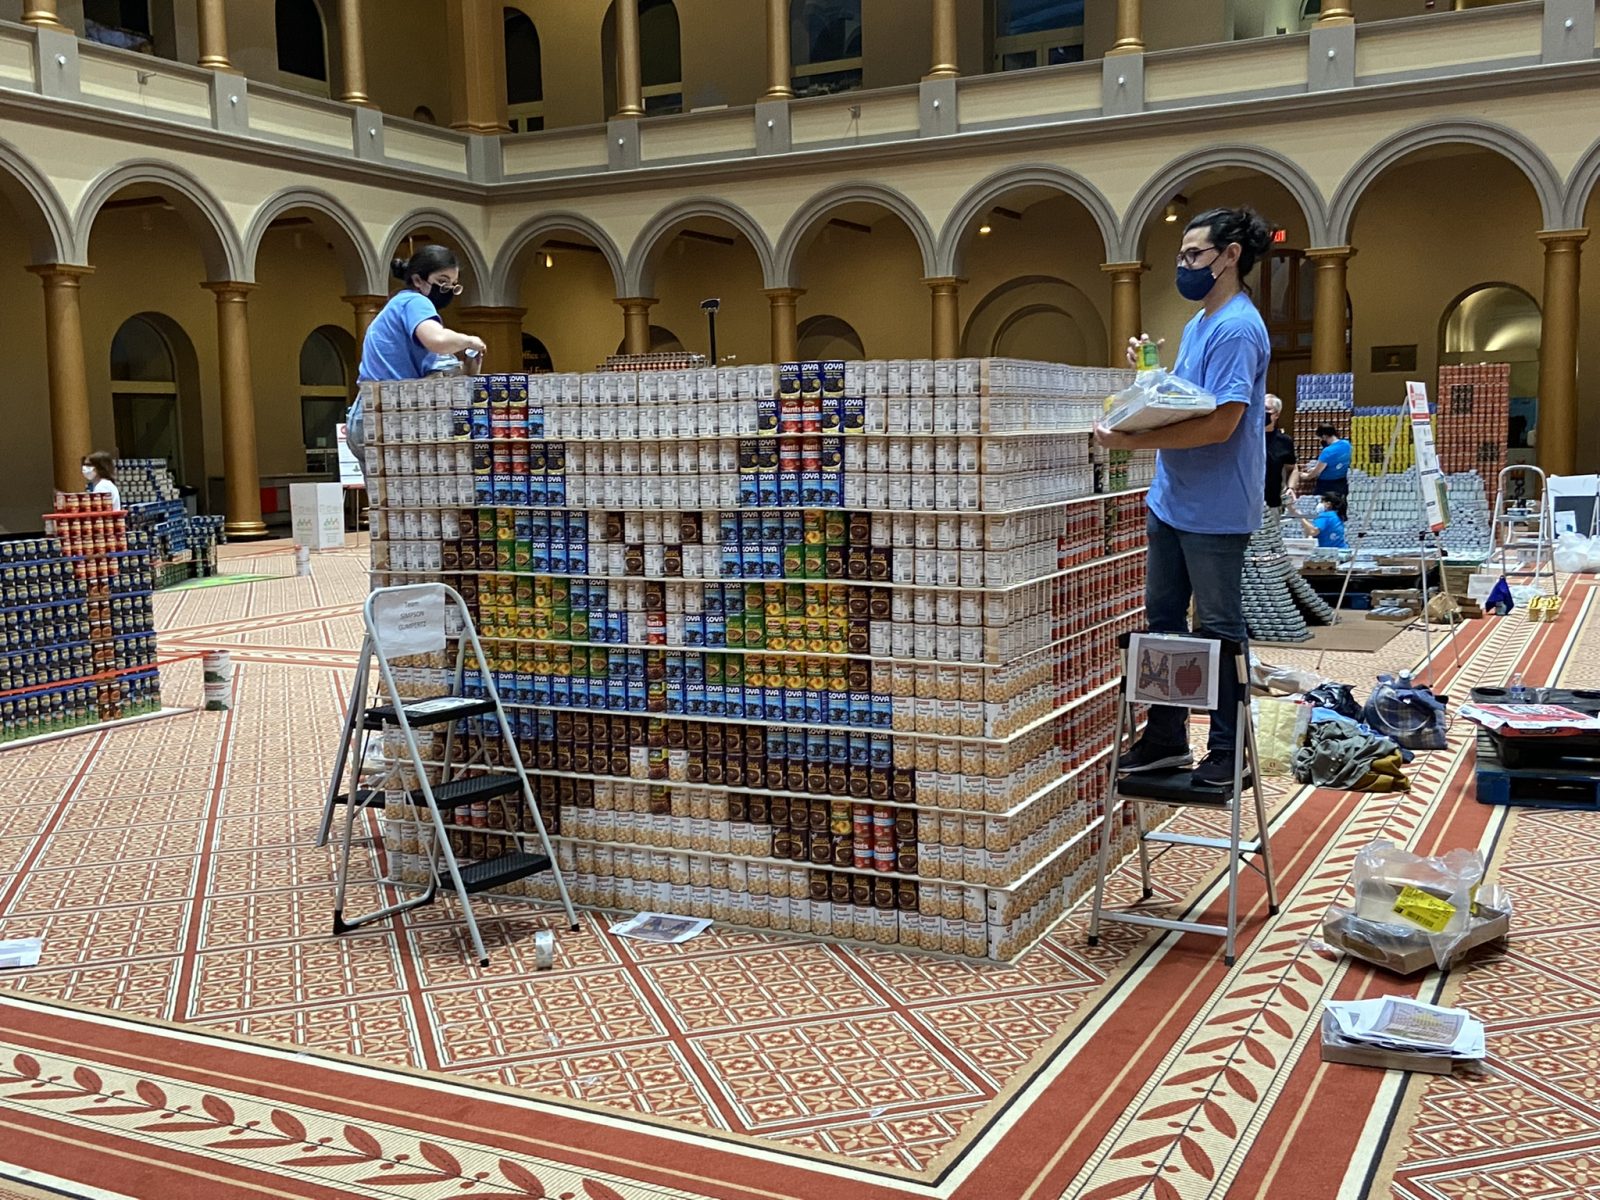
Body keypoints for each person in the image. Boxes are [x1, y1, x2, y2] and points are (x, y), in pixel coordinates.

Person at [1094, 206, 1274, 788]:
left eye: (1194, 256)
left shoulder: (1238, 328)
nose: (1185, 266)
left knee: (1219, 629)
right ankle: (1167, 736)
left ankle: (1228, 750)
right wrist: (1148, 373)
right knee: (1164, 625)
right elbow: (1187, 399)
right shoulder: (1200, 323)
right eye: (1181, 256)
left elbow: (1220, 424)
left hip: (1216, 508)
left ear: (1230, 257)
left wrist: (1132, 440)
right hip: (1172, 498)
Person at [346, 245, 487, 470]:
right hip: (385, 413)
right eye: (442, 282)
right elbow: (437, 340)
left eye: (453, 285)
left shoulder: (397, 305)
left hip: (368, 413)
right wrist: (470, 341)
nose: (448, 289)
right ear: (418, 280)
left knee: (390, 501)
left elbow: (442, 372)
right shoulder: (415, 302)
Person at [1264, 393, 1298, 510]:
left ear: (1277, 414)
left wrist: (1291, 488)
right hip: (1244, 502)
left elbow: (1292, 468)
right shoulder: (1246, 437)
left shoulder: (1284, 441)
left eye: (1267, 409)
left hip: (1272, 503)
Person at [1300, 423, 1351, 500]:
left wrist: (1305, 475)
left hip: (1326, 485)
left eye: (1320, 438)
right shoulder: (1347, 444)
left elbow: (1316, 473)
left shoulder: (1327, 451)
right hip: (1342, 483)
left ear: (1324, 436)